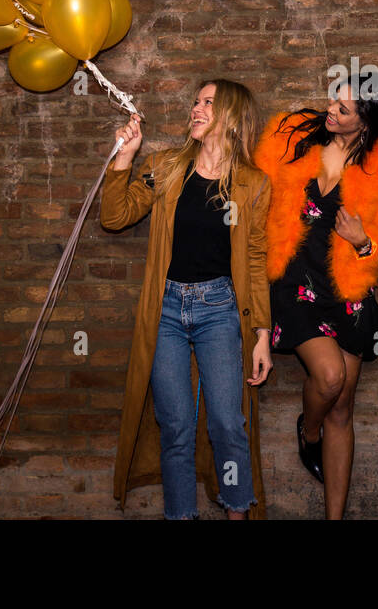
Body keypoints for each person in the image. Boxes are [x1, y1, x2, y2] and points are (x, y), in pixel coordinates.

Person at [100, 79, 272, 519]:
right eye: (196, 102)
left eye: (208, 104)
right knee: (174, 427)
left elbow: (254, 261)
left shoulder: (253, 184)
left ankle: (237, 511)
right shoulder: (167, 167)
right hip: (167, 311)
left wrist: (262, 335)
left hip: (220, 310)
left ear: (231, 117)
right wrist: (125, 156)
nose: (196, 109)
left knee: (227, 425)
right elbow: (115, 216)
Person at [254, 80, 378, 519]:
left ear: (367, 120)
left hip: (347, 290)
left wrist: (361, 242)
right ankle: (308, 432)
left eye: (343, 109)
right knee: (329, 378)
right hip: (294, 285)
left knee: (343, 409)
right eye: (332, 100)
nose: (331, 111)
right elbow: (254, 196)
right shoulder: (290, 139)